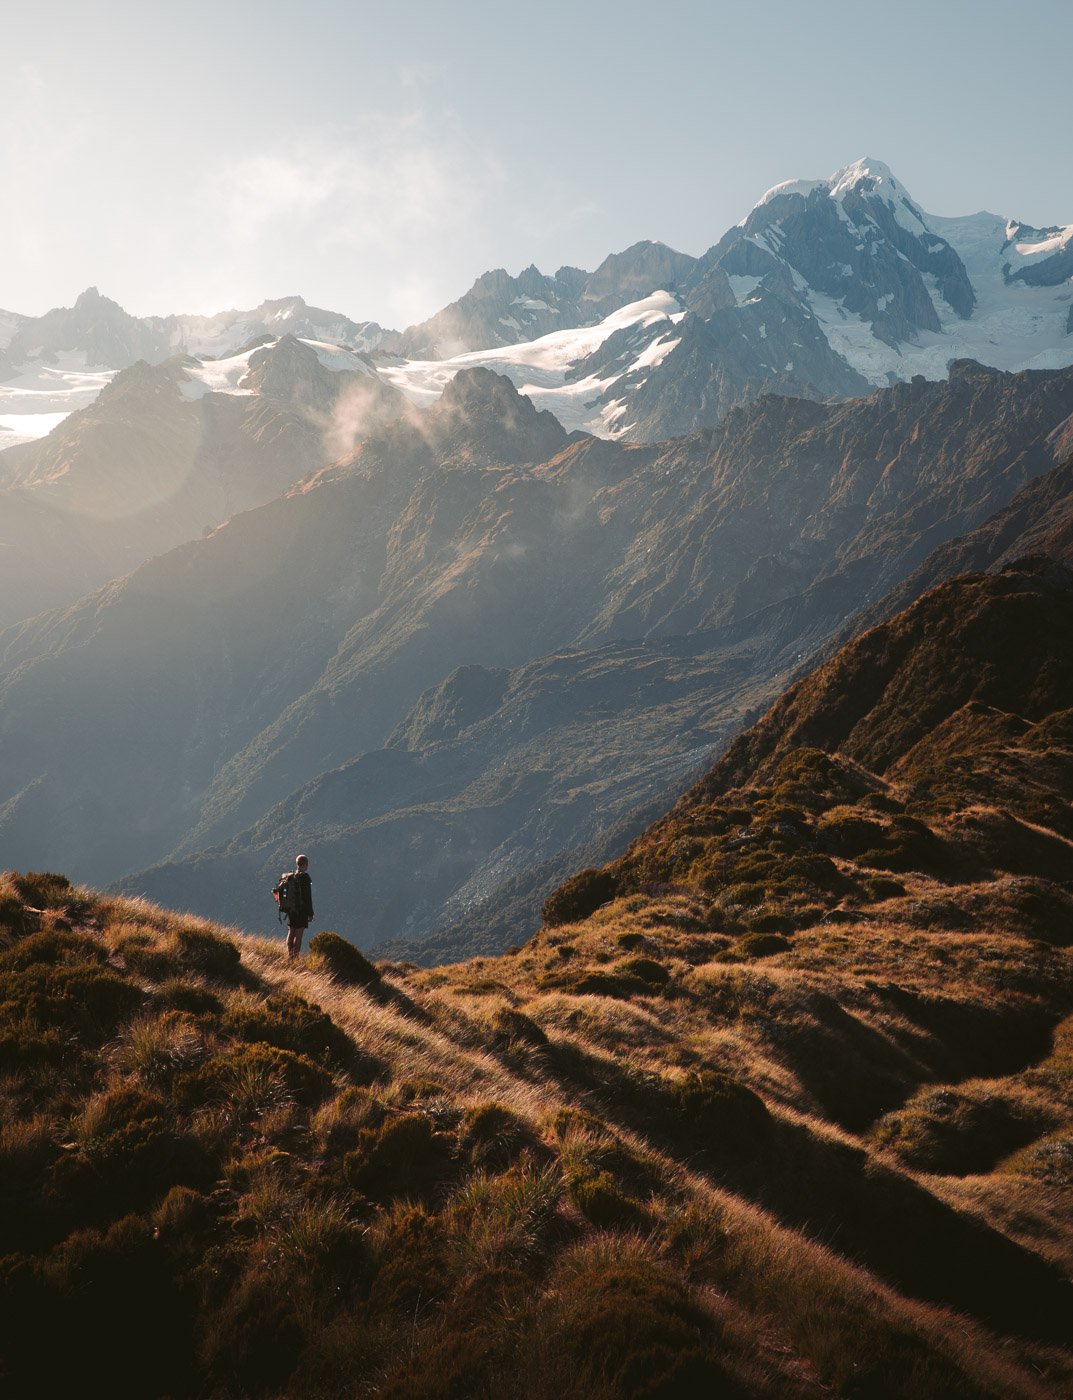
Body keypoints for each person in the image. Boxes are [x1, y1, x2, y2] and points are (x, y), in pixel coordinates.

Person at [287, 853, 314, 960]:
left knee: (291, 932)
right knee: (298, 936)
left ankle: (289, 956)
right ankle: (295, 958)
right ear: (305, 864)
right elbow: (307, 897)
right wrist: (310, 913)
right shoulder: (305, 877)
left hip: (291, 910)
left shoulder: (291, 876)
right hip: (301, 911)